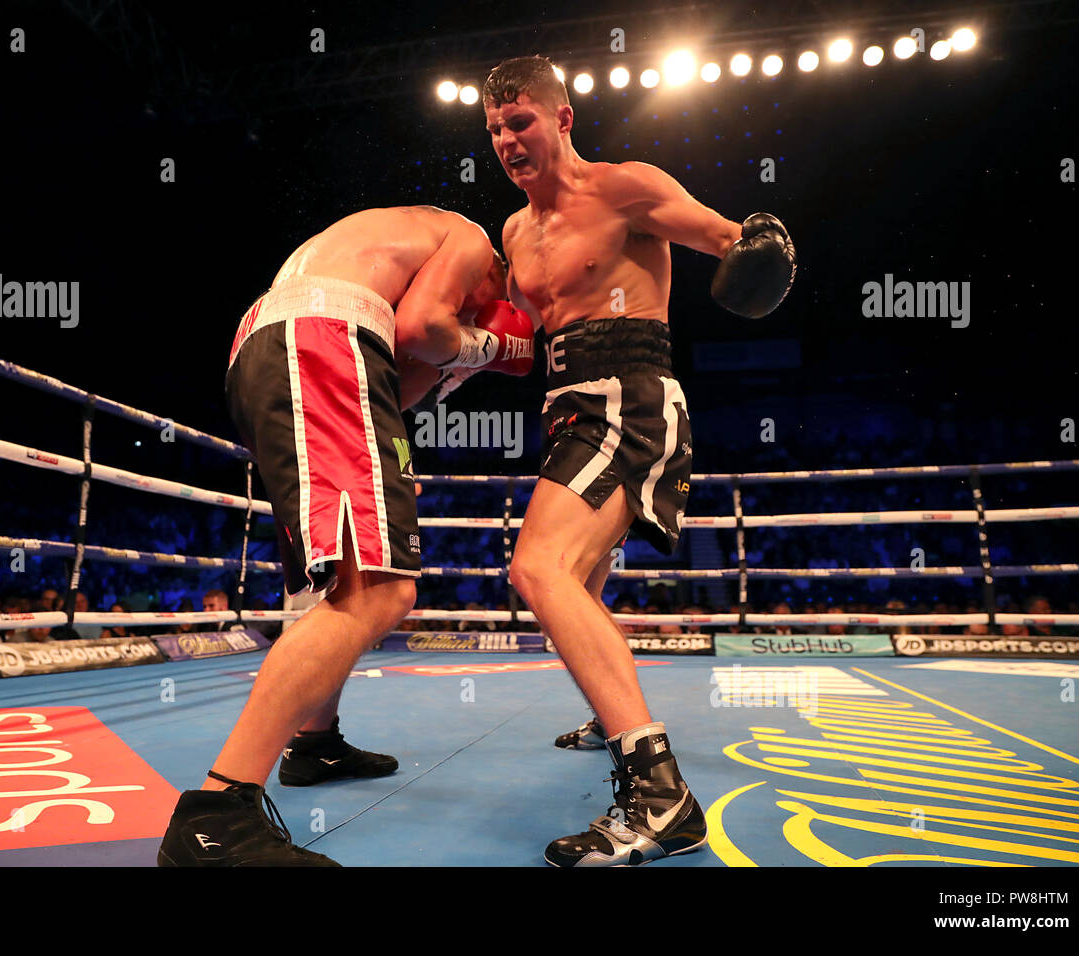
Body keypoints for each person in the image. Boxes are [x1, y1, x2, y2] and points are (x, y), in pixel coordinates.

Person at [483, 55, 795, 866]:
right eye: (493, 130)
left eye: (519, 122)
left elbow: (727, 238)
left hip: (628, 396)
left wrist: (751, 246)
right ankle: (607, 711)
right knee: (577, 582)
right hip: (564, 409)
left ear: (561, 119)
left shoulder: (624, 187)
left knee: (539, 570)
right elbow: (522, 339)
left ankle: (660, 795)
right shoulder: (515, 232)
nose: (507, 141)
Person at [158, 205, 525, 867]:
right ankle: (215, 819)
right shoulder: (470, 240)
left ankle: (315, 743)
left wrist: (463, 360)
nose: (482, 309)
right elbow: (424, 326)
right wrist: (496, 343)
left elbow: (399, 384)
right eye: (494, 301)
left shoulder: (389, 255)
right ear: (499, 274)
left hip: (289, 347)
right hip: (319, 338)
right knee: (381, 593)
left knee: (343, 577)